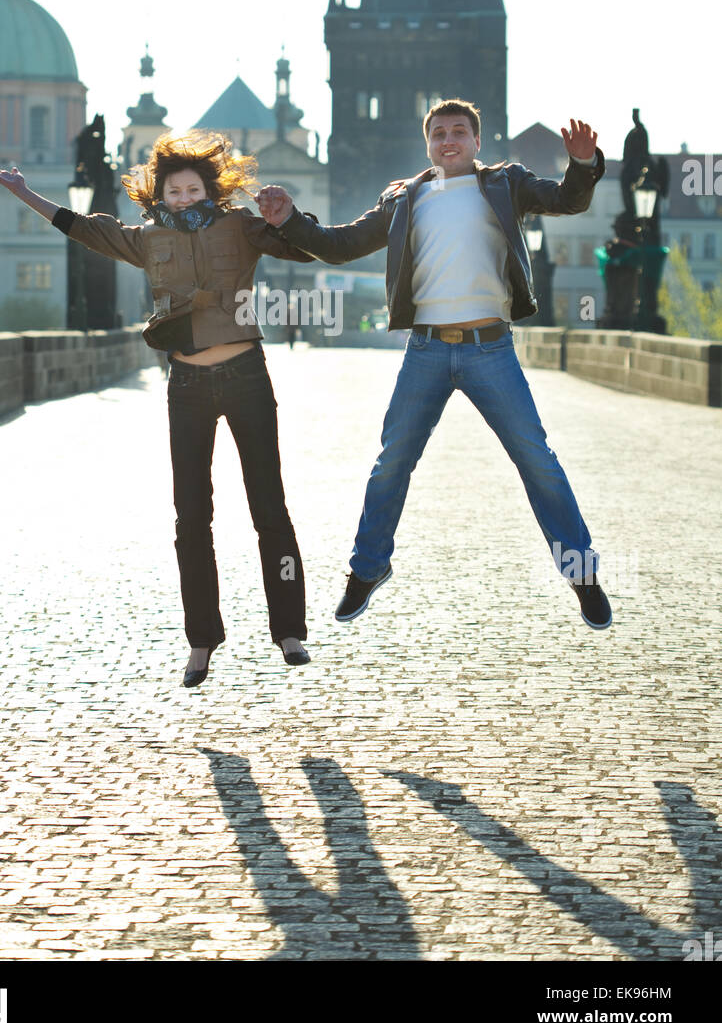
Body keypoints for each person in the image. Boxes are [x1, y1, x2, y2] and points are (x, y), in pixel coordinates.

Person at [257, 99, 613, 633]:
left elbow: (567, 201)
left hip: (489, 348)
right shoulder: (406, 196)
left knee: (537, 460)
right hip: (425, 350)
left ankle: (581, 574)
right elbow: (342, 245)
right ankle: (369, 568)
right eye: (439, 133)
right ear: (428, 143)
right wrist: (289, 221)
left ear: (477, 141)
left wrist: (583, 167)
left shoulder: (506, 183)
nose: (449, 140)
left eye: (460, 132)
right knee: (391, 463)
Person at [0, 131, 315, 686]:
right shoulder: (146, 238)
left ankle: (289, 630)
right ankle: (202, 642)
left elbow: (304, 247)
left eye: (191, 189)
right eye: (174, 192)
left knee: (269, 506)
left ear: (210, 189)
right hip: (186, 382)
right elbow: (85, 229)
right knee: (192, 517)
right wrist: (25, 194)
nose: (183, 198)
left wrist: (284, 215)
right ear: (159, 195)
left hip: (246, 376)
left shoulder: (242, 226)